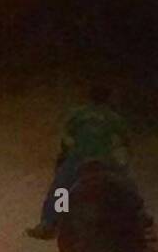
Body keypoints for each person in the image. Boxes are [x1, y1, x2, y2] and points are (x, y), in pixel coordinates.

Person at [26, 82, 132, 239]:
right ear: (108, 98)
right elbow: (125, 140)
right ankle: (138, 217)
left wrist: (69, 149)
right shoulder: (113, 117)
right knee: (126, 184)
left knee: (61, 188)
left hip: (79, 159)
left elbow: (66, 136)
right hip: (105, 161)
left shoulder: (78, 114)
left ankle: (50, 222)